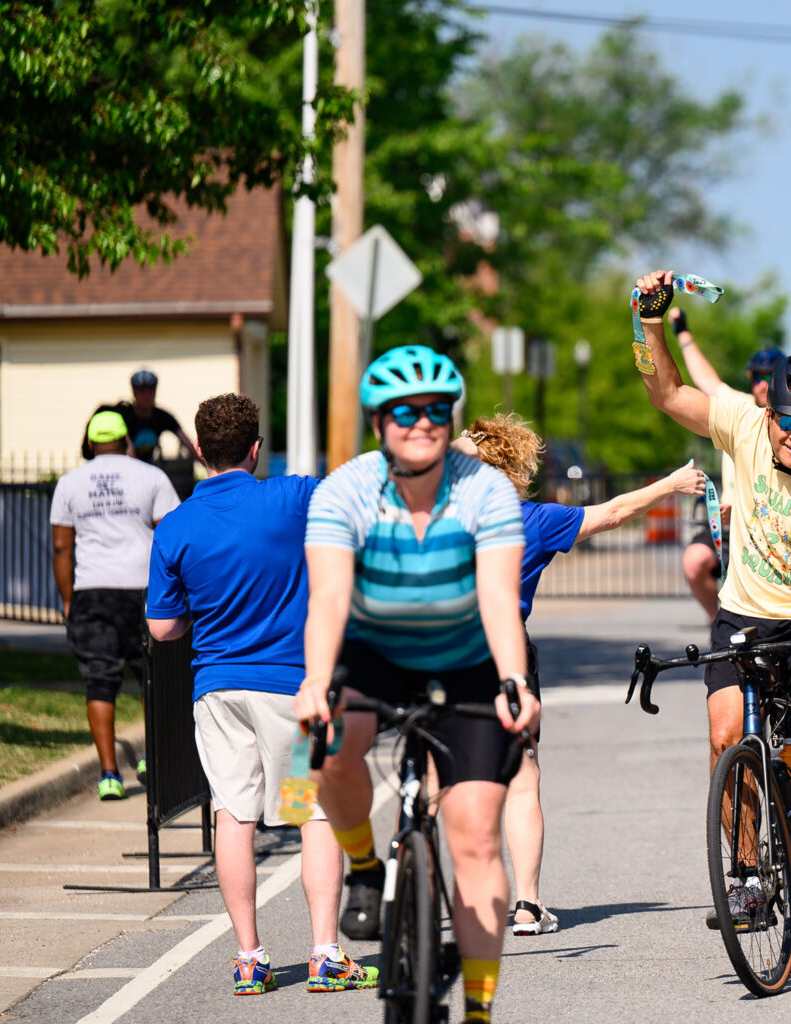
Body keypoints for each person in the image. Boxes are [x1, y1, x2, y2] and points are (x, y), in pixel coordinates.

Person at [295, 345, 539, 1024]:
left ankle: (480, 1011)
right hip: (372, 654)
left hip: (466, 662)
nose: (423, 422)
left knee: (476, 837)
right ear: (381, 422)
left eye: (436, 410)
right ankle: (367, 868)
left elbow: (496, 596)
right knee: (328, 745)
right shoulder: (343, 490)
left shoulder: (484, 490)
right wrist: (316, 680)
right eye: (406, 411)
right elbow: (330, 598)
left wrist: (515, 678)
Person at [633, 269, 791, 929]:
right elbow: (669, 393)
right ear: (770, 411)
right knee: (724, 739)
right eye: (788, 420)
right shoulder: (743, 421)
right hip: (744, 611)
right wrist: (651, 323)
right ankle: (745, 880)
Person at [144, 393, 375, 997]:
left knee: (234, 814)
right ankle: (325, 954)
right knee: (312, 812)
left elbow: (162, 628)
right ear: (254, 448)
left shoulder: (175, 527)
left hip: (217, 695)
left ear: (198, 451)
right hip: (289, 697)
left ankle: (249, 957)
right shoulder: (292, 497)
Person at [451, 412, 706, 936]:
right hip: (504, 654)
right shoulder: (531, 520)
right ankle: (526, 906)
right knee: (521, 778)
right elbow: (613, 513)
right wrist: (674, 483)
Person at [50, 410, 179, 800]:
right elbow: (170, 535)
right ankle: (151, 757)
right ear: (126, 441)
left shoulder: (70, 483)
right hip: (142, 589)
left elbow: (61, 547)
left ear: (89, 444)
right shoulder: (151, 476)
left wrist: (69, 600)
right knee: (152, 677)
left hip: (92, 590)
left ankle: (109, 774)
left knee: (99, 682)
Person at [667, 306, 786, 620]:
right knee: (694, 561)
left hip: (771, 520)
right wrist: (682, 331)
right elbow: (706, 381)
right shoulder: (740, 408)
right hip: (729, 518)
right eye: (757, 377)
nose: (763, 384)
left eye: (770, 377)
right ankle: (717, 620)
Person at [81, 367, 199, 464]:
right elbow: (129, 451)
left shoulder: (162, 416)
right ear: (133, 391)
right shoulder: (123, 415)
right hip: (120, 466)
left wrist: (207, 466)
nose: (146, 395)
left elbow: (187, 442)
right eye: (141, 390)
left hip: (145, 467)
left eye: (150, 390)